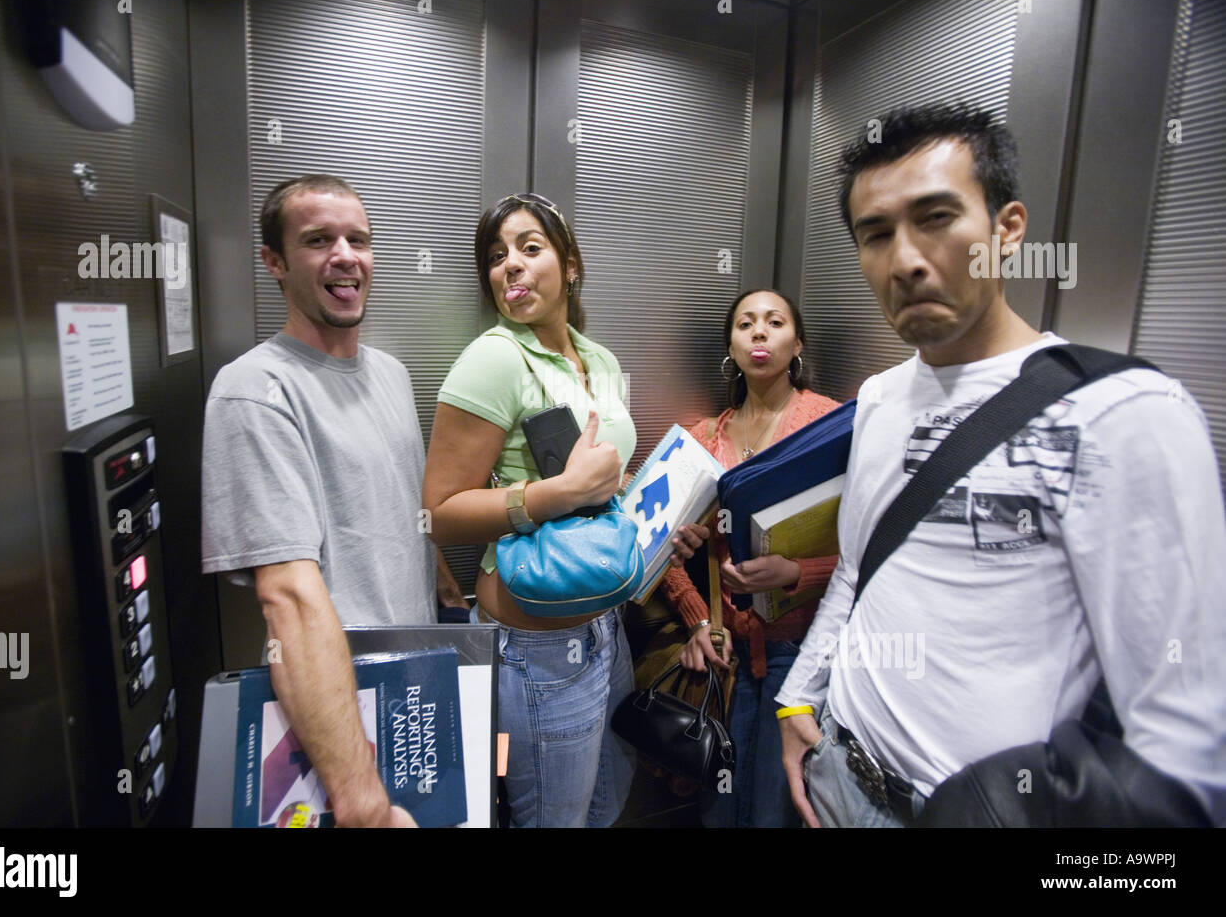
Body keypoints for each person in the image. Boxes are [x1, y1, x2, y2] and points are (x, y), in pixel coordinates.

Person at [775, 104, 1226, 826]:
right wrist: (800, 696)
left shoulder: (1122, 412)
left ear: (1006, 230)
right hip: (836, 773)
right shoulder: (883, 398)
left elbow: (1185, 740)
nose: (907, 259)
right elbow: (859, 573)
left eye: (936, 218)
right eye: (876, 234)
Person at [201, 174, 468, 828]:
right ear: (275, 262)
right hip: (337, 725)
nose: (344, 255)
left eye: (358, 239)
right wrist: (358, 796)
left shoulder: (391, 375)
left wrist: (448, 595)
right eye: (318, 240)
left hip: (414, 693)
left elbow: (405, 512)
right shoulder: (255, 390)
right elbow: (287, 596)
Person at [423, 192, 637, 827]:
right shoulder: (495, 357)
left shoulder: (599, 360)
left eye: (529, 248)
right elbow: (438, 512)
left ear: (570, 265)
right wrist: (556, 494)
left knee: (605, 804)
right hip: (537, 644)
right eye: (496, 256)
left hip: (608, 627)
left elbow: (610, 472)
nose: (509, 266)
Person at [663, 288, 841, 828]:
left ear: (798, 342)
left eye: (774, 321)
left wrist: (797, 572)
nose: (759, 332)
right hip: (730, 653)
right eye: (745, 324)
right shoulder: (703, 438)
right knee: (718, 807)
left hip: (804, 647)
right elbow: (659, 548)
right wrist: (698, 619)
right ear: (731, 348)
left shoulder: (828, 425)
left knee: (775, 807)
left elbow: (867, 549)